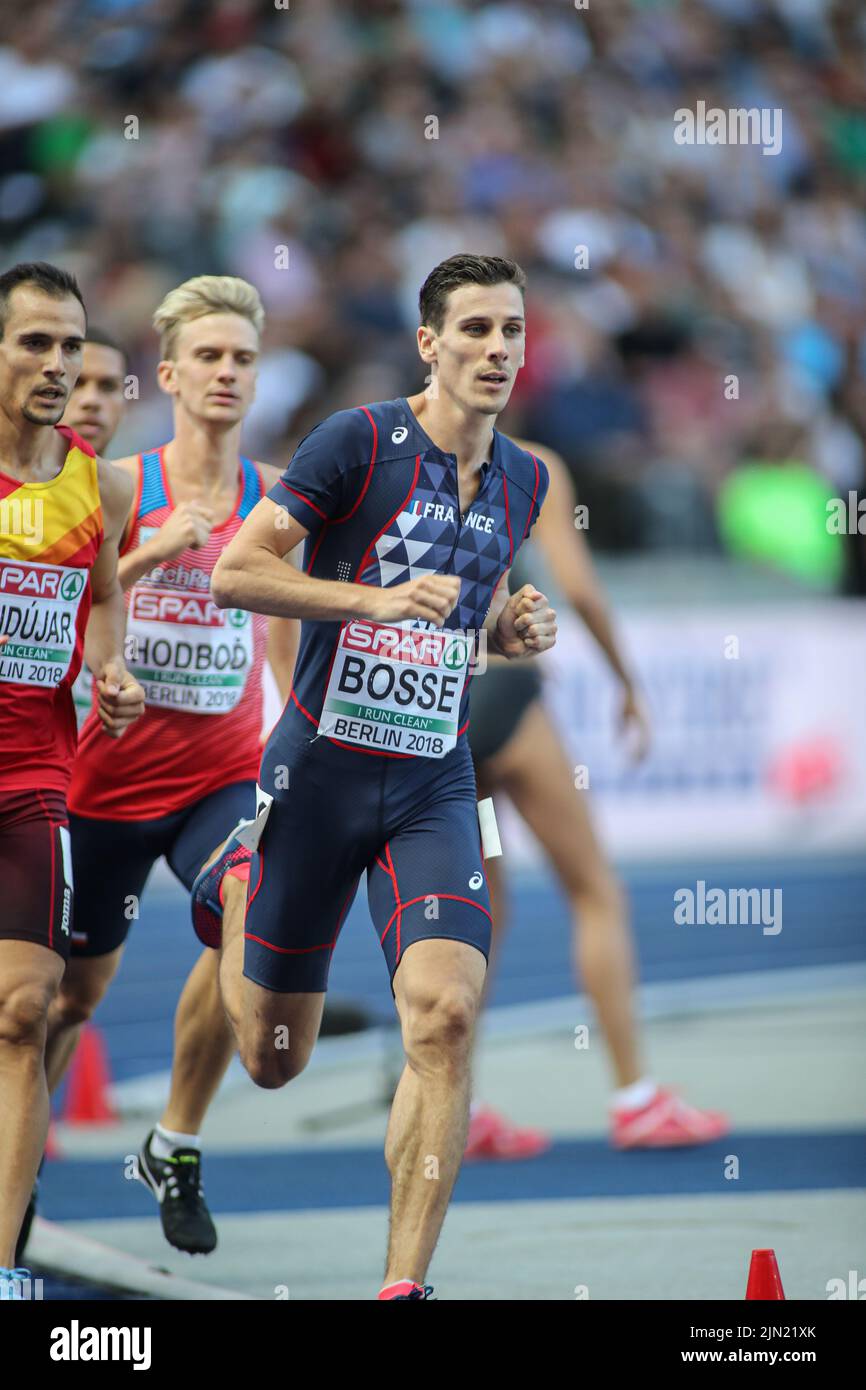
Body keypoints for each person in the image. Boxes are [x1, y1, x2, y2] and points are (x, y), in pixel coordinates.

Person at [190, 253, 555, 1299]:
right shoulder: (357, 442)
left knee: (443, 1013)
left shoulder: (523, 478)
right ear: (429, 344)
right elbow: (234, 573)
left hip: (435, 781)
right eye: (474, 330)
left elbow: (471, 608)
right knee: (270, 1059)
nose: (495, 350)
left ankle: (401, 1285)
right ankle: (237, 881)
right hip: (319, 776)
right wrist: (365, 603)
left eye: (511, 332)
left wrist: (510, 621)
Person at [41, 276, 297, 1259]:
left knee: (247, 889)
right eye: (210, 358)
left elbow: (283, 626)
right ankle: (19, 1178)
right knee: (66, 999)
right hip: (99, 786)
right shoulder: (116, 486)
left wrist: (294, 743)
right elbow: (70, 608)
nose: (227, 373)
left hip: (219, 777)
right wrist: (152, 557)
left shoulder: (274, 497)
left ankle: (176, 1139)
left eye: (242, 358)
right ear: (171, 373)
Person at [464, 441, 729, 1158]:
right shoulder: (535, 464)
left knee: (481, 904)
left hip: (445, 706)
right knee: (594, 891)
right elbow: (577, 587)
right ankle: (635, 1097)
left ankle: (457, 1105)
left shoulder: (397, 452)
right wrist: (627, 682)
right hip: (507, 695)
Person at [0, 261, 144, 1298]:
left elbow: (98, 597)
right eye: (34, 343)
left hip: (33, 776)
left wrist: (109, 661)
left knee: (25, 1010)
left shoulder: (92, 476)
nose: (57, 365)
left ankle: (5, 1266)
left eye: (69, 346)